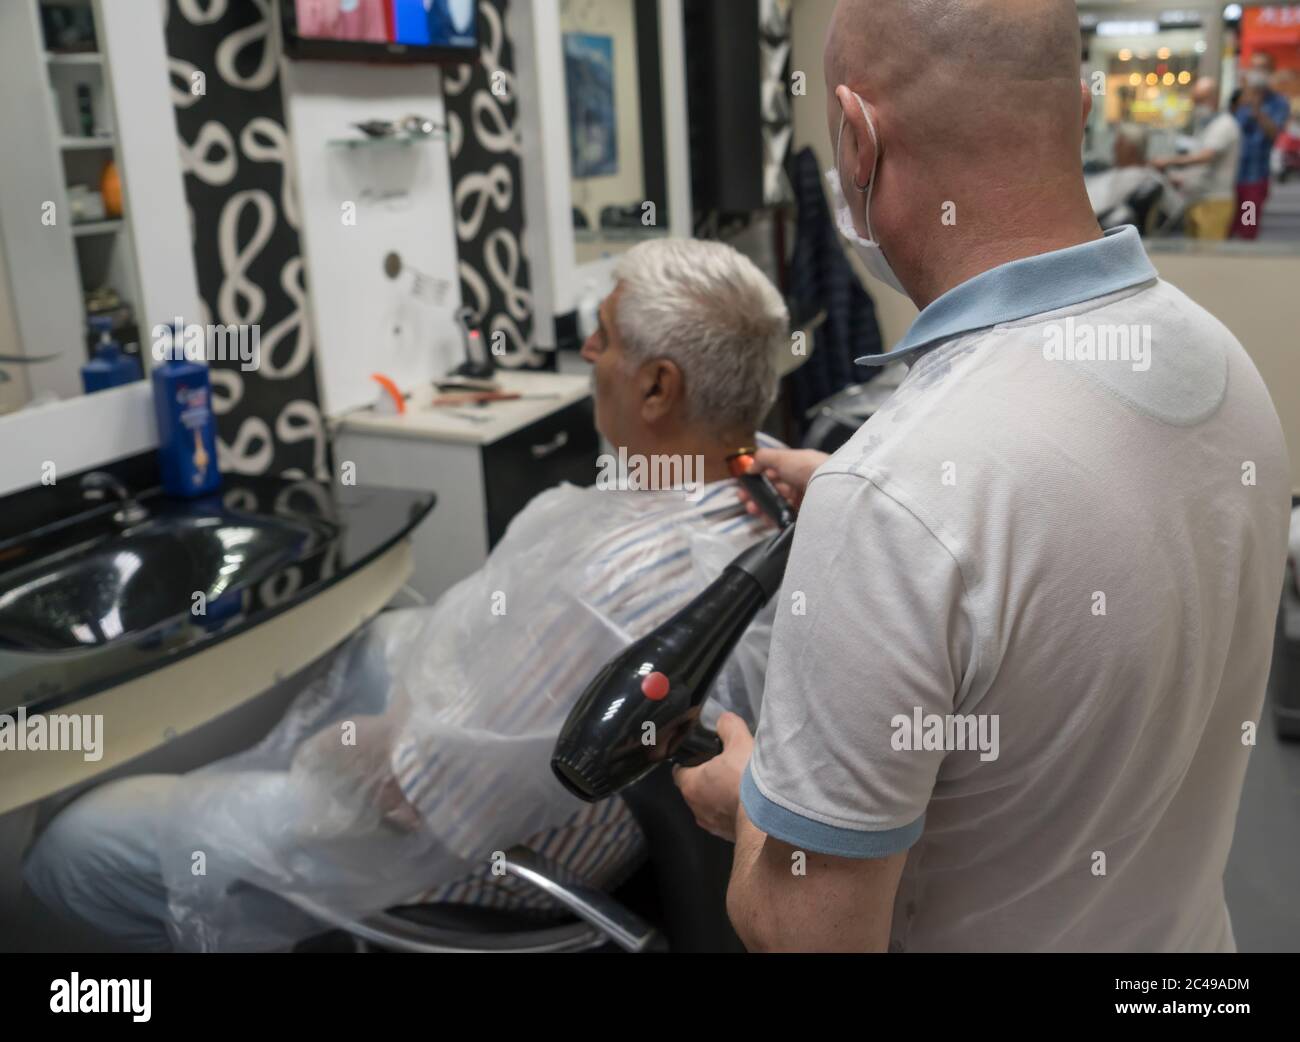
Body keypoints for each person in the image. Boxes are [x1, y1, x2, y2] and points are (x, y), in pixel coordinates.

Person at [675, 0, 1290, 952]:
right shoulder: (1223, 365)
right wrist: (891, 516)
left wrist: (747, 798)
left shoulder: (898, 501)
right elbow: (1067, 518)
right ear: (1077, 108)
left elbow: (810, 935)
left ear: (859, 134)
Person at [23, 238, 788, 951]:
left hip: (480, 866)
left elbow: (421, 798)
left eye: (607, 335)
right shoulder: (759, 485)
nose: (587, 350)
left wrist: (342, 752)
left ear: (658, 387)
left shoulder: (608, 587)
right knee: (374, 645)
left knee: (73, 841)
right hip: (594, 822)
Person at [1151, 78, 1241, 241]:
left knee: (1208, 257)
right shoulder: (1204, 126)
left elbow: (1205, 157)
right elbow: (1197, 162)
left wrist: (1169, 161)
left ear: (1214, 98)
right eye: (1195, 101)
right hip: (1196, 198)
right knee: (1193, 253)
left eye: (1200, 101)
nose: (1196, 106)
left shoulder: (1225, 125)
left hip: (1215, 201)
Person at [1231, 51, 1291, 240]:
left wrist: (1257, 109)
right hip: (1229, 176)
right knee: (1227, 227)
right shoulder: (1239, 98)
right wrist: (1243, 100)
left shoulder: (1279, 102)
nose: (1257, 72)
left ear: (1270, 72)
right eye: (1254, 67)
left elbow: (1274, 134)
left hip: (1254, 177)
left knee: (1248, 225)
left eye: (1262, 68)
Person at [1084, 123, 1182, 232]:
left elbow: (1096, 209)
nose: (1114, 148)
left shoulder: (1136, 177)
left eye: (1119, 144)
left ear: (1131, 149)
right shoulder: (1148, 175)